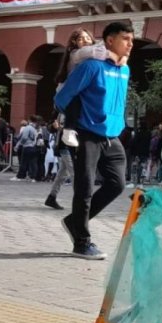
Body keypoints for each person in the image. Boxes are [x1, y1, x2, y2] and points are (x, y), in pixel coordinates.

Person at [54, 21, 133, 259]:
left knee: (117, 184)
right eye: (125, 39)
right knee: (85, 188)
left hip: (112, 136)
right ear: (110, 41)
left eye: (132, 39)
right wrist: (74, 123)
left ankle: (73, 221)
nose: (130, 44)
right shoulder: (90, 67)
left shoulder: (125, 70)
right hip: (87, 134)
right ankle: (82, 241)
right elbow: (62, 98)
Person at [54, 28, 97, 148]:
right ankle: (68, 129)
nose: (85, 41)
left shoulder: (92, 57)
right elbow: (96, 51)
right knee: (76, 98)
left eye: (88, 38)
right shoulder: (76, 54)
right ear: (75, 42)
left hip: (81, 91)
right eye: (80, 39)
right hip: (68, 93)